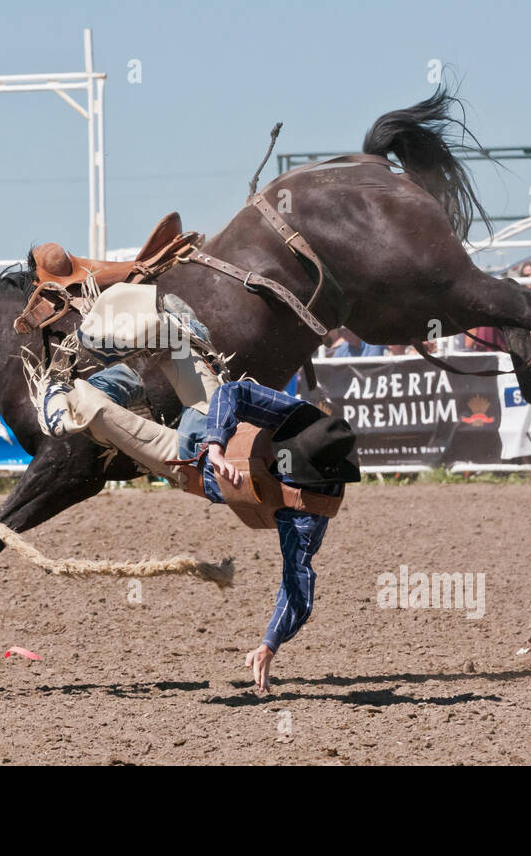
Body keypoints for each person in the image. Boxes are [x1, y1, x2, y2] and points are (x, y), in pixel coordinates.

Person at [36, 286, 358, 693]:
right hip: (210, 422)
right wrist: (220, 445)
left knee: (97, 414)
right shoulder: (300, 418)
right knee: (173, 341)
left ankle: (65, 396)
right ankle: (153, 350)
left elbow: (298, 587)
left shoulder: (306, 512)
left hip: (185, 463)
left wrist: (268, 646)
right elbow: (233, 393)